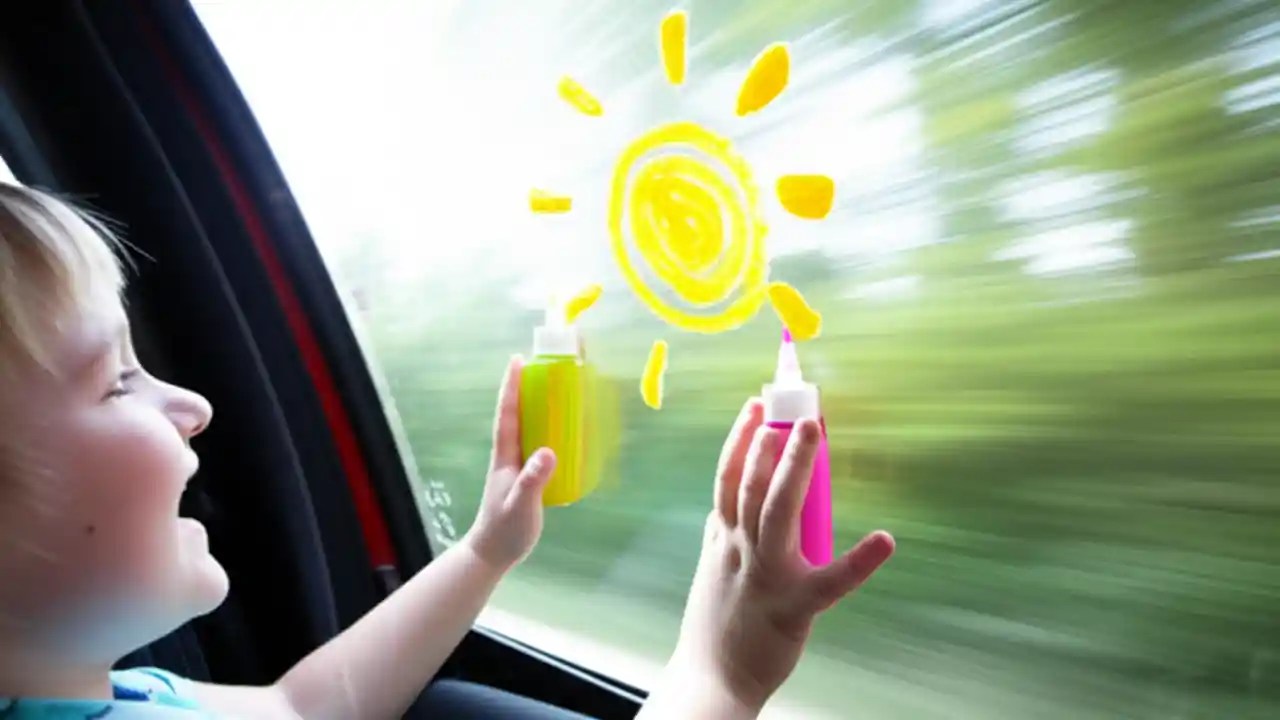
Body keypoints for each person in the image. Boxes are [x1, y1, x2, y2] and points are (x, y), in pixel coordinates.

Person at [0, 181, 894, 719]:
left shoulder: (132, 694)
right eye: (117, 380)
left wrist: (485, 551)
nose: (192, 404)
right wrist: (723, 672)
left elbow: (310, 704)